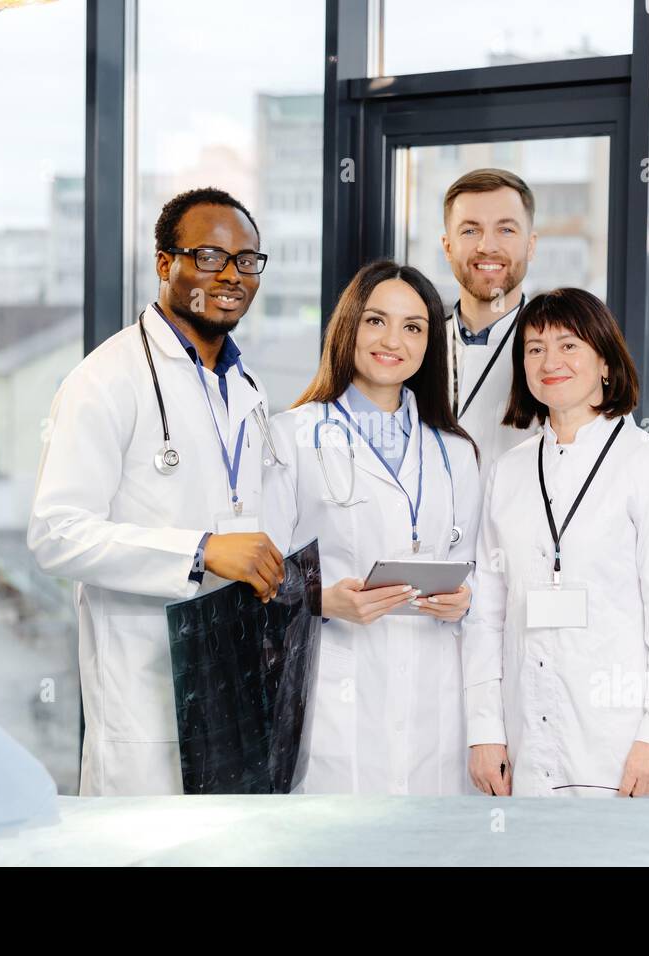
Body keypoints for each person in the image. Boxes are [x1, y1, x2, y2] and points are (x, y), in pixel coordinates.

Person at [28, 187, 286, 796]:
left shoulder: (247, 387)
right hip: (143, 699)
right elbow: (55, 535)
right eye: (210, 256)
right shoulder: (104, 380)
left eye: (247, 261)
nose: (231, 275)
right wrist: (199, 552)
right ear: (165, 263)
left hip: (231, 685)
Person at [463, 288, 649, 798]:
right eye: (535, 348)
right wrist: (485, 731)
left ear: (606, 363)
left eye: (569, 345)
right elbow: (486, 613)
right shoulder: (509, 472)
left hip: (616, 748)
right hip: (523, 742)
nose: (550, 361)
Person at [262, 260, 482, 794]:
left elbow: (475, 572)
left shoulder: (457, 452)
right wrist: (321, 600)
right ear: (348, 328)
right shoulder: (292, 436)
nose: (393, 341)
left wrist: (464, 600)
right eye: (376, 321)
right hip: (337, 692)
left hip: (435, 703)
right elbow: (256, 577)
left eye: (413, 327)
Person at [440, 168, 538, 477]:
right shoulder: (414, 346)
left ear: (530, 246)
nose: (487, 246)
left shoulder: (561, 356)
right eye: (470, 231)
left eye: (506, 230)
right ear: (447, 247)